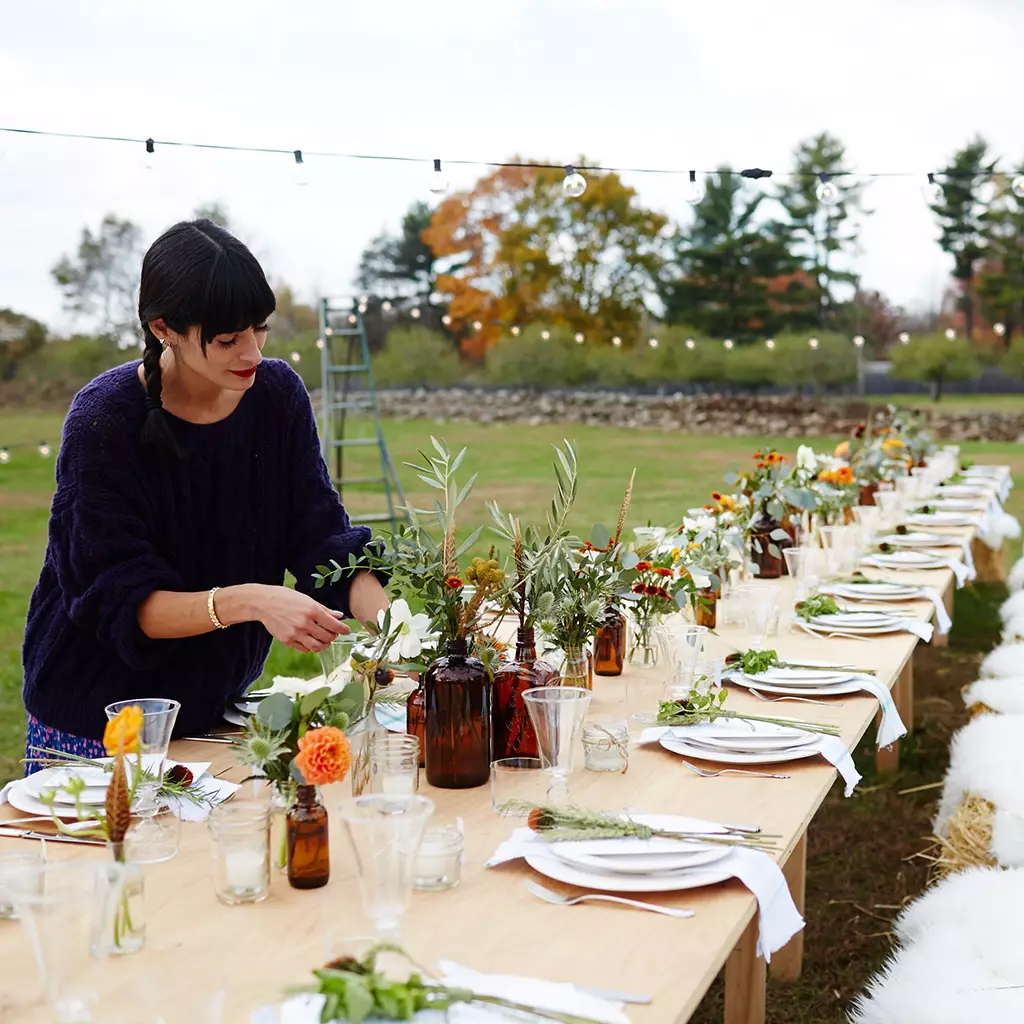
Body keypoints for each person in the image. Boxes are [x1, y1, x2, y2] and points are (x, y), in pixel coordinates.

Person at [21, 219, 389, 770]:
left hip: (212, 716)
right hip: (96, 727)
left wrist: (400, 638)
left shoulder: (276, 396)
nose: (253, 352)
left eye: (259, 329)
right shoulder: (103, 420)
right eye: (227, 339)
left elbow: (321, 537)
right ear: (164, 327)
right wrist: (251, 601)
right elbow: (122, 602)